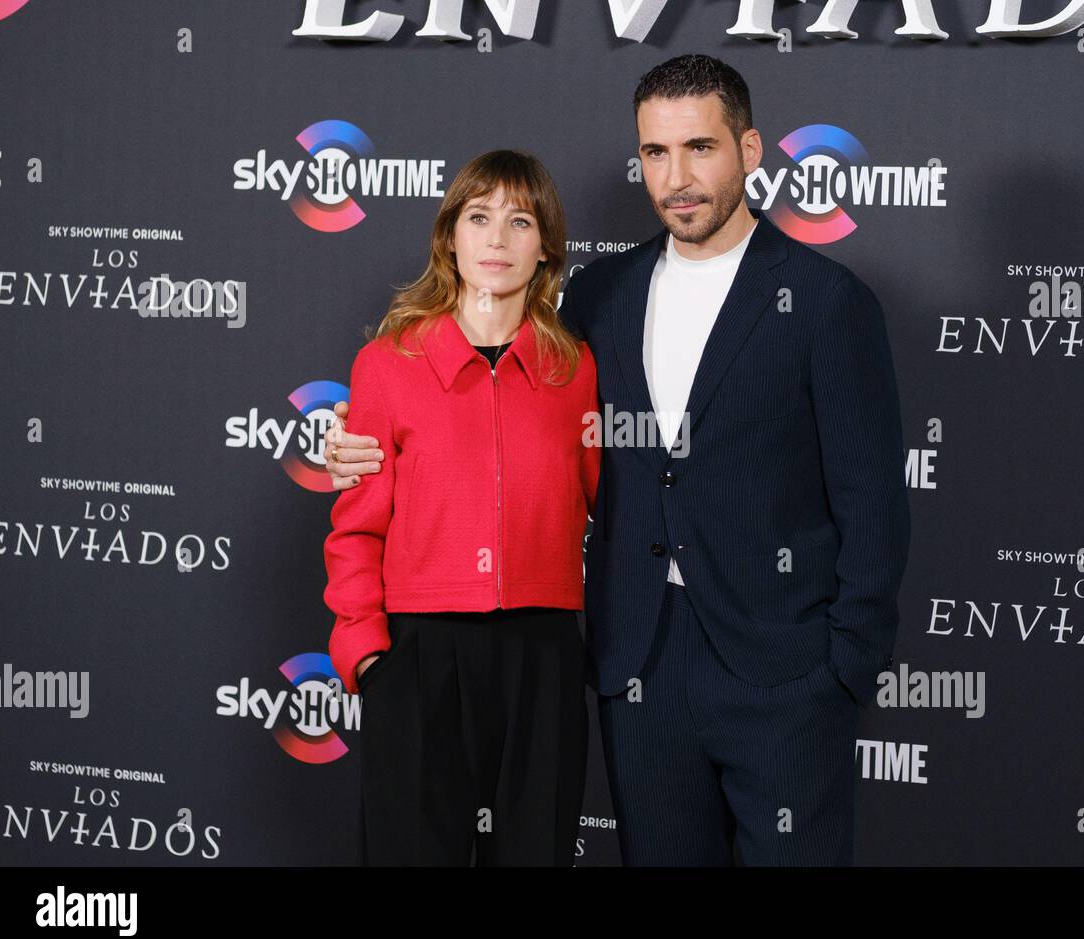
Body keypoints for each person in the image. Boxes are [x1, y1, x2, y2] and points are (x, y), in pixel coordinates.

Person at [327, 54, 910, 866]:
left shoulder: (825, 300)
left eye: (700, 148)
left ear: (750, 150)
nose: (677, 177)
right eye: (656, 153)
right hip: (641, 668)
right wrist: (359, 447)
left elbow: (874, 499)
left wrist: (843, 668)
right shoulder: (600, 299)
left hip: (782, 674)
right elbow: (509, 430)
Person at [322, 148, 600, 866]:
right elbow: (355, 530)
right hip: (418, 653)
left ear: (546, 249)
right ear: (451, 237)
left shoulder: (575, 369)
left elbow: (609, 504)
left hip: (543, 651)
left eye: (519, 221)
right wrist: (368, 655)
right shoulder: (387, 364)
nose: (498, 240)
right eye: (479, 218)